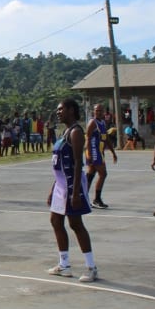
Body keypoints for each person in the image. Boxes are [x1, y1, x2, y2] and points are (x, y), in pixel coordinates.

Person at [46, 99, 97, 282]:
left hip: (71, 185)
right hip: (61, 185)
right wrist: (53, 189)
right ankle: (64, 264)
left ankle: (91, 267)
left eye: (61, 109)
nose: (58, 112)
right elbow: (59, 167)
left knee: (75, 224)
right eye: (58, 109)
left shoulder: (76, 132)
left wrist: (75, 192)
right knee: (55, 221)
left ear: (71, 110)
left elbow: (77, 164)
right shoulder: (65, 132)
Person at [85, 104, 117, 208]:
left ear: (104, 112)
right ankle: (96, 199)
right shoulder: (92, 123)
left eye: (100, 110)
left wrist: (113, 152)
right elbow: (88, 139)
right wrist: (89, 154)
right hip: (94, 151)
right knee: (103, 174)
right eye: (96, 110)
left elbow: (106, 138)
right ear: (93, 111)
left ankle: (83, 198)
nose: (98, 112)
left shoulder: (102, 122)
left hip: (100, 152)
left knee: (90, 175)